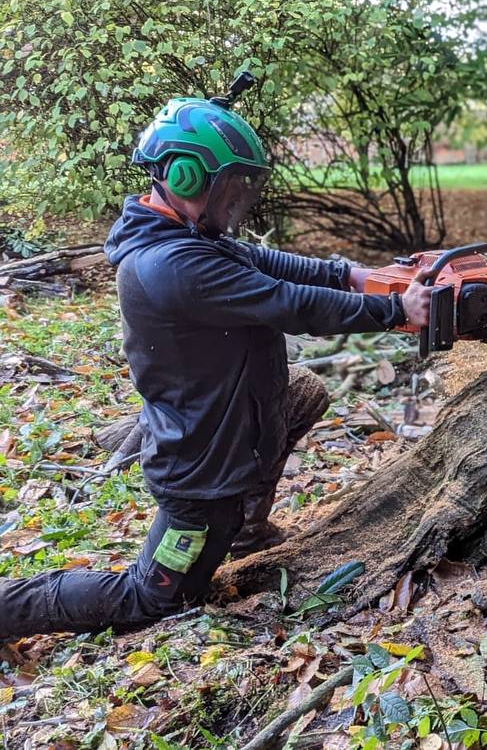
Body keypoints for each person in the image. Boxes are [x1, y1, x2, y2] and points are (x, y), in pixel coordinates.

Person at [0, 96, 431, 643]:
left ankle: (247, 531)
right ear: (183, 175)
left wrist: (356, 275)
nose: (236, 200)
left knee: (302, 391)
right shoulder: (171, 265)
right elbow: (286, 302)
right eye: (229, 186)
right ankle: (10, 608)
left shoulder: (187, 238)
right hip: (200, 477)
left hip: (234, 432)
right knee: (153, 596)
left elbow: (271, 263)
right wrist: (395, 311)